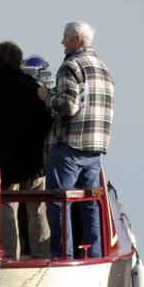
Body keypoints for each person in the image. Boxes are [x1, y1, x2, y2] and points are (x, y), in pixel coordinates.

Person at [0, 41, 53, 258]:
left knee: (6, 208)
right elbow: (46, 124)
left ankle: (8, 258)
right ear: (19, 63)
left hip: (0, 164)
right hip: (33, 162)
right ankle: (43, 255)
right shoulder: (32, 87)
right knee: (38, 209)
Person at [38, 21, 114, 259]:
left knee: (59, 203)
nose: (62, 42)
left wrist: (45, 97)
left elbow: (69, 106)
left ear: (77, 40)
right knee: (90, 203)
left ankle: (63, 257)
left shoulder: (70, 66)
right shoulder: (103, 68)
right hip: (95, 148)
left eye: (65, 38)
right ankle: (94, 256)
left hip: (70, 146)